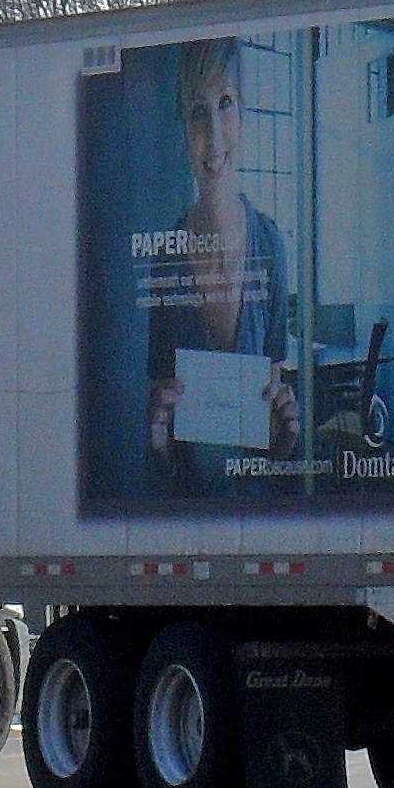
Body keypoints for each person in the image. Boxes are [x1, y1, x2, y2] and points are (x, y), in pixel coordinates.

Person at [142, 36, 297, 492]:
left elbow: (269, 442)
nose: (213, 134)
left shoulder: (270, 243)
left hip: (256, 512)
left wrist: (283, 441)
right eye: (196, 111)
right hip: (187, 520)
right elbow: (167, 453)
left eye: (225, 103)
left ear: (244, 112)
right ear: (181, 128)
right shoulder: (165, 254)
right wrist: (158, 446)